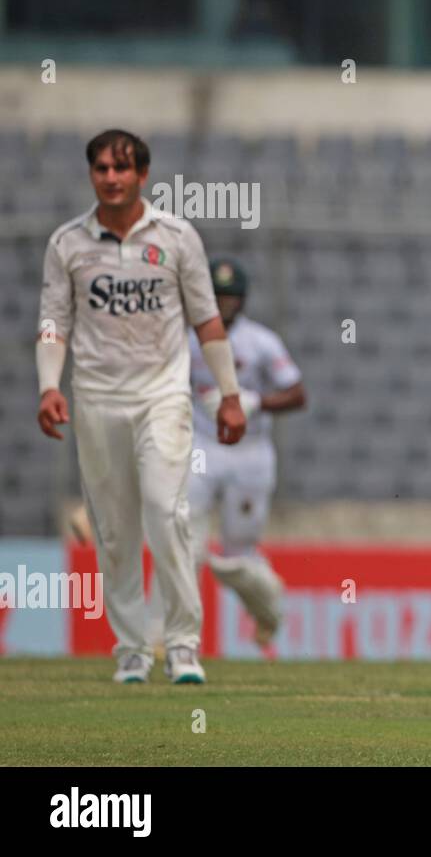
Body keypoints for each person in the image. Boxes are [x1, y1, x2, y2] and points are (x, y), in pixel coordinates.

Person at [36, 129, 246, 684]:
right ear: (92, 175)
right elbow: (54, 323)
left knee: (166, 510)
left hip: (161, 395)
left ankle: (181, 644)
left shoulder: (176, 237)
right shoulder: (68, 244)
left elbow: (207, 320)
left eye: (121, 168)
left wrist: (229, 395)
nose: (111, 178)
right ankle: (131, 648)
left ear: (142, 175)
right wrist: (48, 386)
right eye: (102, 168)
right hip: (98, 400)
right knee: (114, 529)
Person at [188, 257, 306, 648]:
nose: (223, 304)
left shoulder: (261, 342)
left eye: (230, 297)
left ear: (243, 300)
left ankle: (266, 614)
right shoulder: (186, 339)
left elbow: (297, 394)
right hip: (202, 446)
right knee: (184, 539)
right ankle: (173, 636)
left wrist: (255, 401)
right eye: (216, 297)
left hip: (249, 452)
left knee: (237, 557)